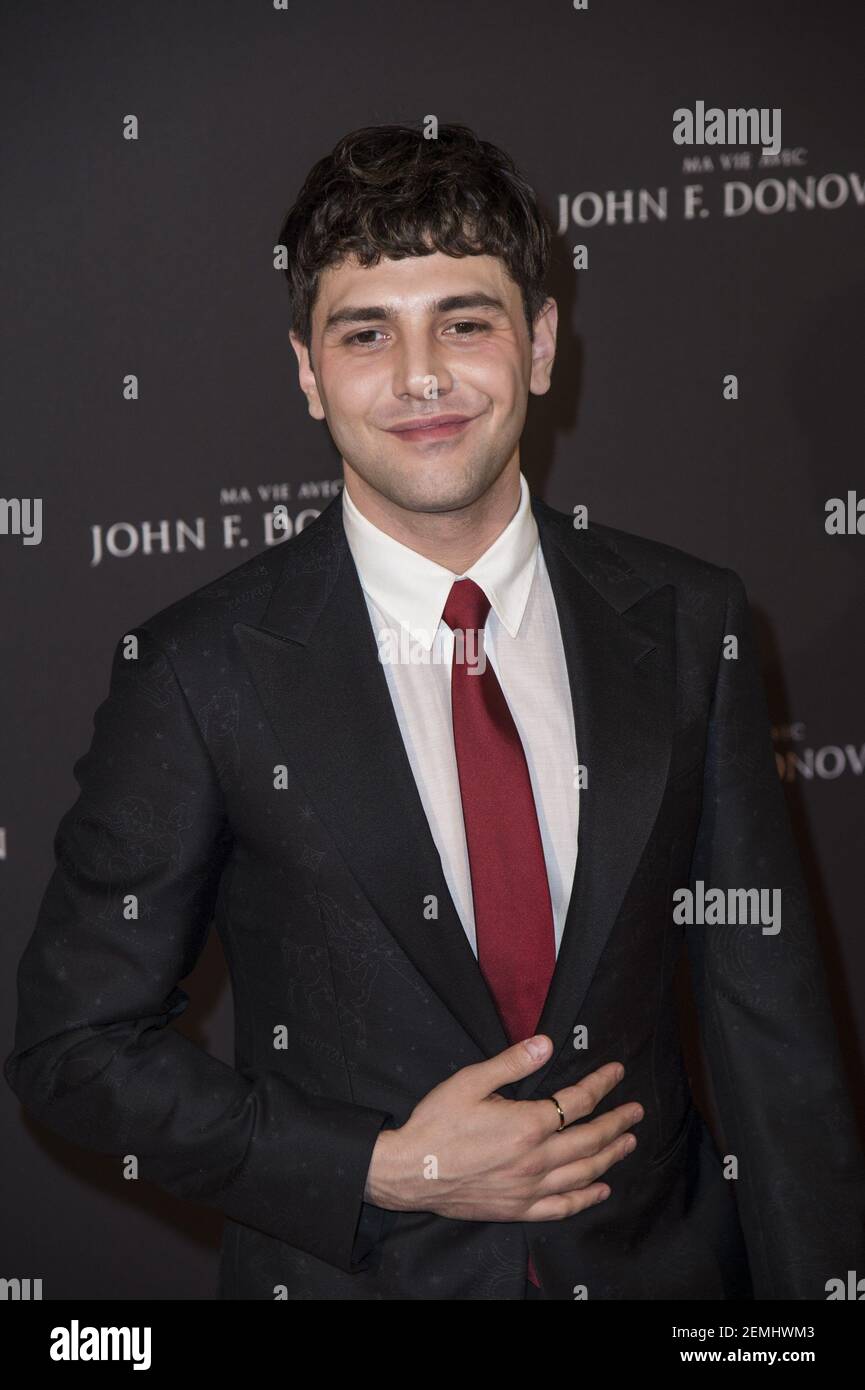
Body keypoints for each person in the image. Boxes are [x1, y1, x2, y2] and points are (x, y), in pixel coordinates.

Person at [6, 123, 865, 1301]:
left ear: (542, 344)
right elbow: (74, 1051)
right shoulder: (199, 669)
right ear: (309, 372)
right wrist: (386, 1167)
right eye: (367, 334)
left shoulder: (685, 622)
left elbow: (774, 1042)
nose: (421, 377)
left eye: (464, 322)